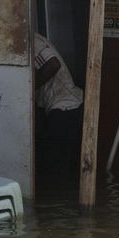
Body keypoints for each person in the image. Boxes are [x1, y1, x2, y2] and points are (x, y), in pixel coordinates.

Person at [34, 33, 84, 177]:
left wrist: (30, 88)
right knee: (60, 169)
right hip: (68, 106)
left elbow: (53, 64)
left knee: (53, 167)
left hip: (65, 107)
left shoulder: (32, 40)